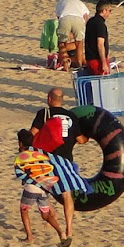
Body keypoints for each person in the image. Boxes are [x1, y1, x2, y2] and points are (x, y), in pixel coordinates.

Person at [30, 87, 79, 239]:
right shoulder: (72, 116)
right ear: (62, 100)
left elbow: (33, 133)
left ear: (49, 99)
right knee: (67, 195)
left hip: (48, 157)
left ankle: (51, 213)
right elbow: (81, 139)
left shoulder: (44, 113)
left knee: (41, 186)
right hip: (66, 159)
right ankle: (69, 229)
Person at [14, 130, 71, 246]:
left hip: (32, 188)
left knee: (24, 210)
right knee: (46, 215)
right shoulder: (40, 154)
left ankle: (29, 236)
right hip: (44, 188)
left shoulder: (21, 156)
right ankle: (61, 233)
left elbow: (21, 173)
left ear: (20, 143)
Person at [53, 0, 89, 71]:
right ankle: (79, 65)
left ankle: (65, 63)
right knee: (79, 43)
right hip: (79, 19)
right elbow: (85, 18)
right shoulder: (81, 3)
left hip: (65, 18)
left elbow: (59, 17)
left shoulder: (60, 2)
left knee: (61, 43)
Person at [83, 1, 114, 74]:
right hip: (97, 60)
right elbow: (100, 44)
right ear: (104, 11)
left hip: (90, 58)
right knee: (103, 82)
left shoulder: (91, 21)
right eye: (109, 11)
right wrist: (104, 62)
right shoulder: (100, 25)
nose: (110, 13)